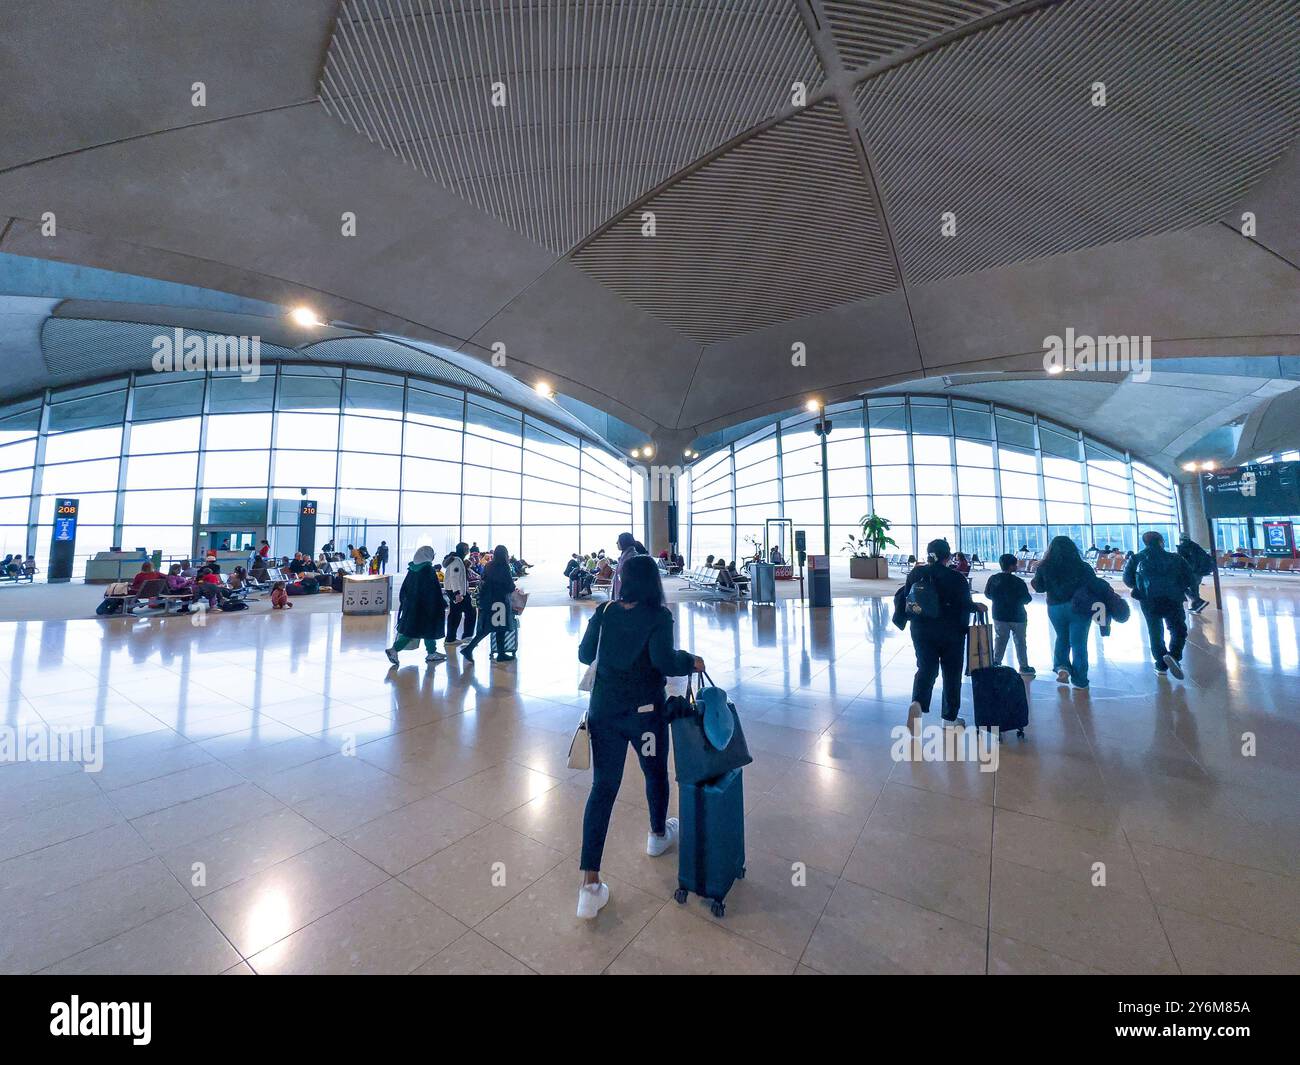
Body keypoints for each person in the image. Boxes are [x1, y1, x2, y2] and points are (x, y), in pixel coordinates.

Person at [575, 554, 703, 919]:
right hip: (645, 715)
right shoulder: (659, 616)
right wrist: (691, 660)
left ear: (623, 580)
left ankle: (589, 886)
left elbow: (585, 655)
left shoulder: (605, 612)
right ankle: (658, 835)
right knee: (654, 773)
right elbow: (664, 661)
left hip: (604, 714)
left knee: (603, 789)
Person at [903, 539, 986, 727]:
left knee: (926, 667)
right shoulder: (956, 577)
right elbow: (964, 603)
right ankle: (949, 718)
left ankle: (917, 702)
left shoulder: (916, 574)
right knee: (951, 672)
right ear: (948, 557)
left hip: (921, 629)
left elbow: (908, 599)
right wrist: (976, 606)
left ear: (928, 554)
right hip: (952, 631)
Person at [1124, 531, 1195, 679]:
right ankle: (1174, 656)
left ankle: (1160, 664)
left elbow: (1127, 579)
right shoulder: (1175, 558)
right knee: (1178, 628)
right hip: (1173, 598)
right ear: (1161, 541)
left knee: (1155, 630)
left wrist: (1138, 589)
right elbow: (1189, 577)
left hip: (1149, 600)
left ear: (1145, 543)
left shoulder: (1136, 558)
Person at [1031, 536, 1096, 688]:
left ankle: (1062, 667)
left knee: (1062, 637)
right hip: (1079, 607)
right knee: (1079, 643)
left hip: (1055, 607)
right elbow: (1093, 585)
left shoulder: (1044, 567)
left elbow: (1040, 588)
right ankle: (1080, 680)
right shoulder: (1083, 566)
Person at [385, 546, 447, 665]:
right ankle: (394, 649)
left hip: (413, 605)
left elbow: (405, 588)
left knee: (421, 629)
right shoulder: (428, 569)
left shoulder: (413, 568)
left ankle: (431, 652)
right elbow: (433, 589)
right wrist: (440, 603)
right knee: (415, 630)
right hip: (426, 606)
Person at [461, 545, 516, 663]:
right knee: (499, 627)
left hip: (488, 601)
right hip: (500, 600)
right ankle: (472, 649)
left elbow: (483, 580)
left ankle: (472, 649)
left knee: (488, 627)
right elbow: (509, 585)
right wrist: (513, 588)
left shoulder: (489, 565)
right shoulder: (504, 566)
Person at [984, 553, 1035, 676]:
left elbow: (987, 594)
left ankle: (996, 662)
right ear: (1012, 566)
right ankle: (1023, 666)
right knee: (1020, 641)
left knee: (1000, 639)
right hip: (1018, 616)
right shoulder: (1018, 581)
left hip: (999, 614)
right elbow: (1027, 599)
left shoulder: (993, 579)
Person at [443, 542, 476, 643]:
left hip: (458, 592)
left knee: (455, 614)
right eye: (467, 548)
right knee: (470, 612)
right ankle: (466, 636)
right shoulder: (457, 561)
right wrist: (457, 593)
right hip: (458, 593)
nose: (468, 550)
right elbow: (454, 577)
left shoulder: (458, 560)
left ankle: (451, 638)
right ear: (463, 550)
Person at [1176, 533, 1213, 614]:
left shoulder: (1182, 547)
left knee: (1183, 586)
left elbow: (1181, 561)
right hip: (1201, 570)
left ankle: (1198, 602)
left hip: (1191, 571)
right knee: (1194, 588)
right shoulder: (1195, 545)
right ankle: (1196, 606)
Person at [611, 532, 637, 599]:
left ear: (624, 542)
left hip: (627, 596)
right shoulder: (624, 556)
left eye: (618, 541)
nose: (616, 543)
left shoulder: (631, 557)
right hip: (623, 594)